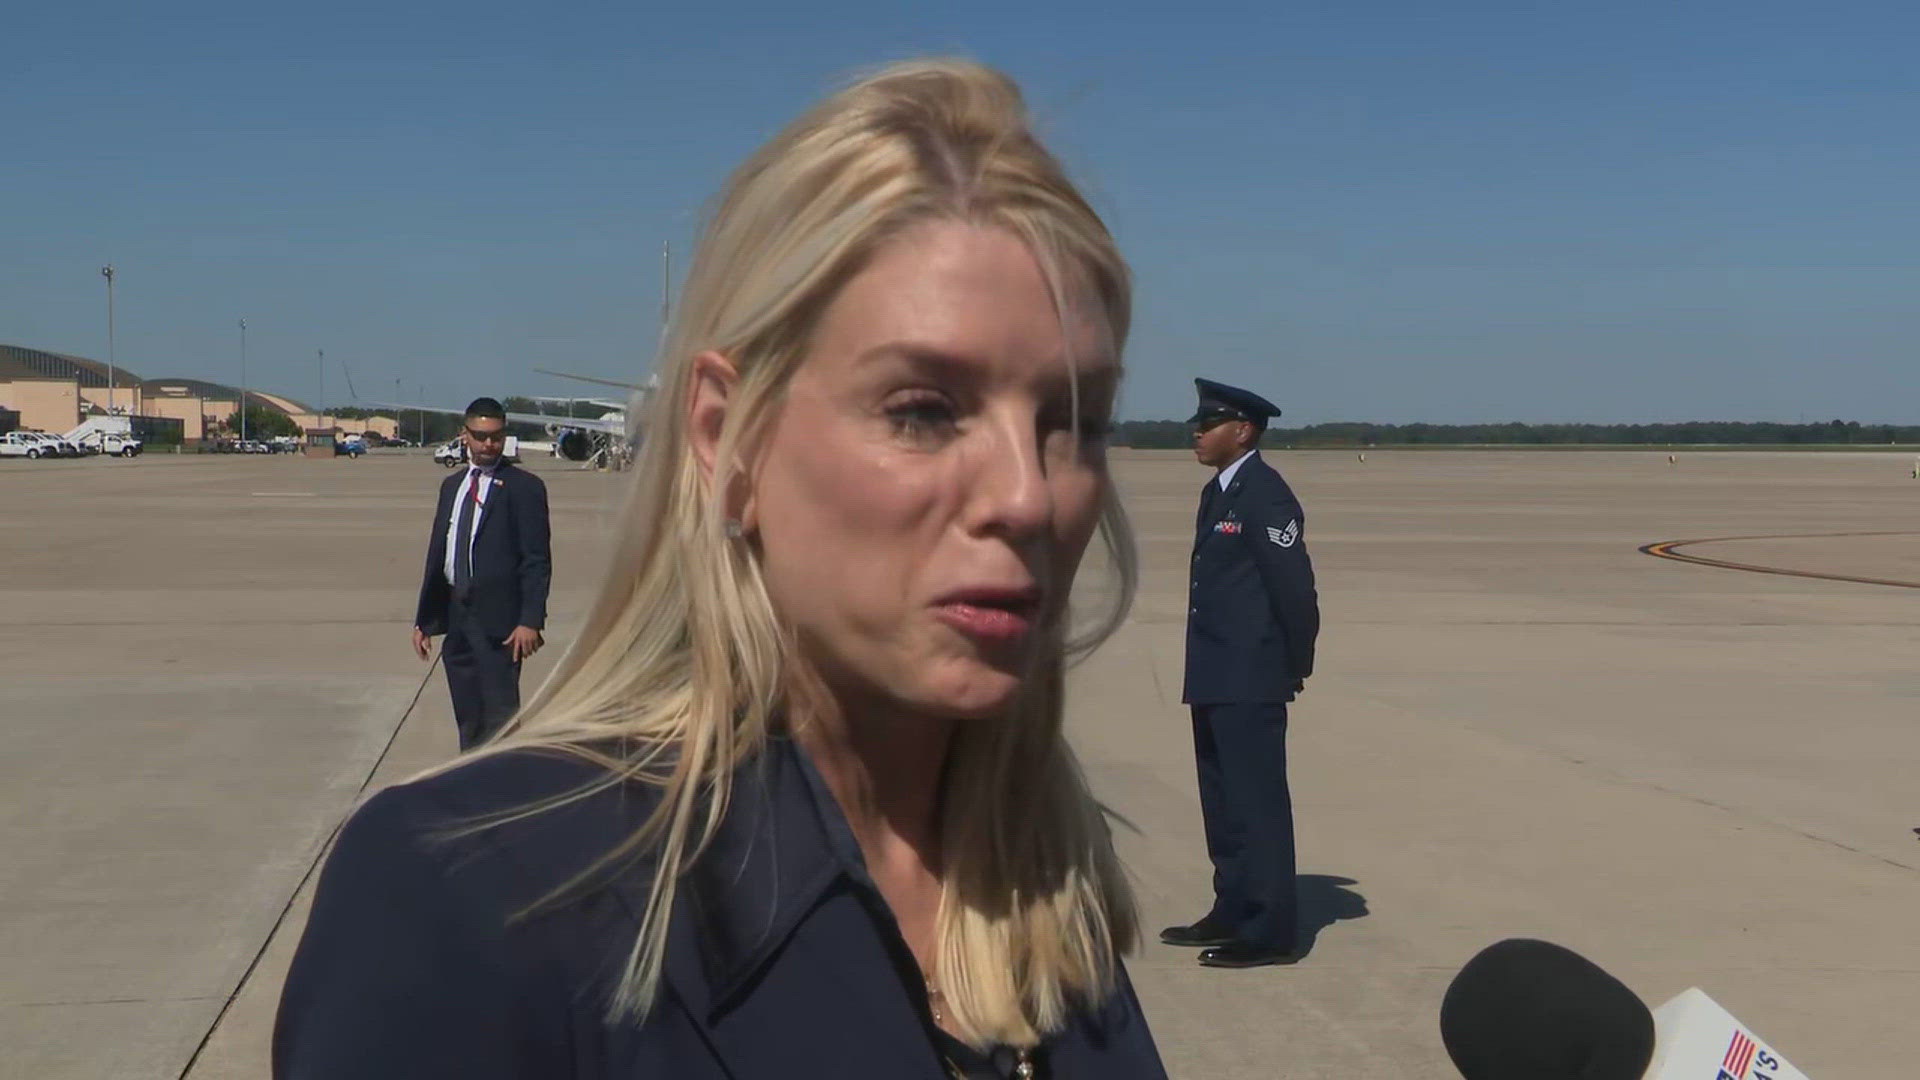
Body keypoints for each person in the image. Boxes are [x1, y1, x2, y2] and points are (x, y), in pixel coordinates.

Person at [275, 60, 1166, 1079]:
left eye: (1073, 419)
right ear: (723, 436)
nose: (1029, 496)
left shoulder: (1048, 883)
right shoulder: (474, 898)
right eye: (923, 410)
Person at [1159, 378, 1320, 969]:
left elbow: (1294, 589)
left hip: (1252, 672)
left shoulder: (1265, 495)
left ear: (1244, 431)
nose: (1197, 434)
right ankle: (1233, 908)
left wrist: (1295, 661)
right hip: (1215, 670)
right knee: (1223, 803)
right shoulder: (1219, 492)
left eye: (1209, 424)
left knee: (1256, 804)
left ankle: (1270, 929)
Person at [409, 397, 551, 750]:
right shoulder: (452, 487)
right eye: (481, 436)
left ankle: (503, 778)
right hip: (458, 616)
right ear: (465, 435)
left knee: (500, 719)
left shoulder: (524, 487)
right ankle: (472, 774)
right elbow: (440, 553)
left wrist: (530, 620)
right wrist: (425, 620)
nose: (489, 444)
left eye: (496, 437)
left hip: (501, 624)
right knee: (468, 716)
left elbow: (536, 559)